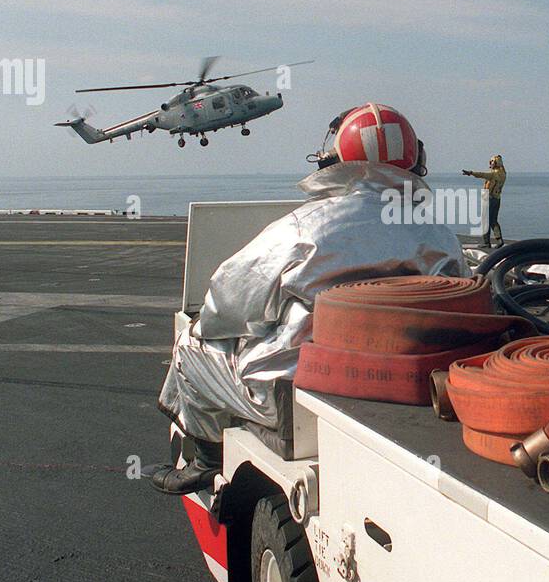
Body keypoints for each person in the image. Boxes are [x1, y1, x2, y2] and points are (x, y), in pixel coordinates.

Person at [152, 103, 468, 494]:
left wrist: (211, 327)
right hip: (403, 387)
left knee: (191, 343)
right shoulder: (440, 234)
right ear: (416, 161)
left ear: (338, 160)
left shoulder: (305, 227)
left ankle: (205, 459)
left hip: (296, 392)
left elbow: (226, 303)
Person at [462, 154, 506, 246]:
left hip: (489, 199)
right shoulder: (503, 173)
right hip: (497, 199)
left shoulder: (493, 174)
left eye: (492, 161)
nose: (490, 163)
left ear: (496, 163)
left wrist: (470, 172)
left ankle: (487, 242)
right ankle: (499, 240)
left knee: (485, 221)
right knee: (493, 220)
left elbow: (482, 174)